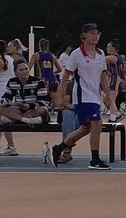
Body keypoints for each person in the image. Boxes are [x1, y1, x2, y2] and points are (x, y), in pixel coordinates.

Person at [49, 23, 115, 170]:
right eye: (92, 33)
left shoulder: (100, 54)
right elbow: (66, 75)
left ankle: (59, 148)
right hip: (83, 96)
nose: (95, 36)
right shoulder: (76, 54)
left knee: (86, 128)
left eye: (97, 33)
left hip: (95, 95)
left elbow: (102, 75)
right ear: (84, 35)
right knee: (96, 123)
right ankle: (95, 159)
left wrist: (107, 94)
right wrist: (60, 96)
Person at [0, 59, 51, 125]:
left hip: (33, 110)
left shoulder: (39, 82)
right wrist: (5, 102)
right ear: (15, 72)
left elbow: (44, 101)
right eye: (21, 70)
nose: (24, 71)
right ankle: (25, 120)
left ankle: (15, 119)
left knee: (43, 110)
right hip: (19, 110)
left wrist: (29, 106)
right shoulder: (12, 82)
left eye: (26, 69)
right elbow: (6, 97)